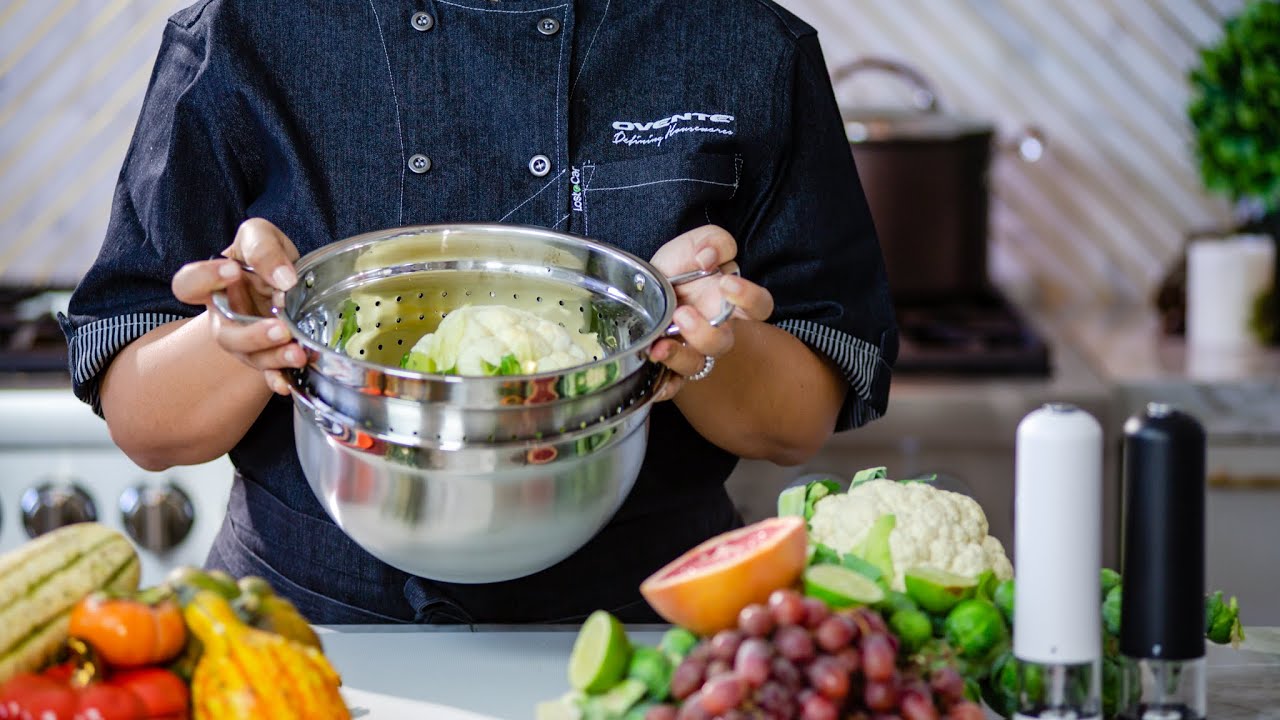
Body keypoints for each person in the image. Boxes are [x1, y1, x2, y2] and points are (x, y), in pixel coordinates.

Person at [60, 0, 897, 625]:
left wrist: (702, 340)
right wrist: (248, 336)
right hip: (305, 625)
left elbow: (796, 426)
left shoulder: (742, 40)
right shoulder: (246, 31)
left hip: (643, 620)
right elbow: (145, 424)